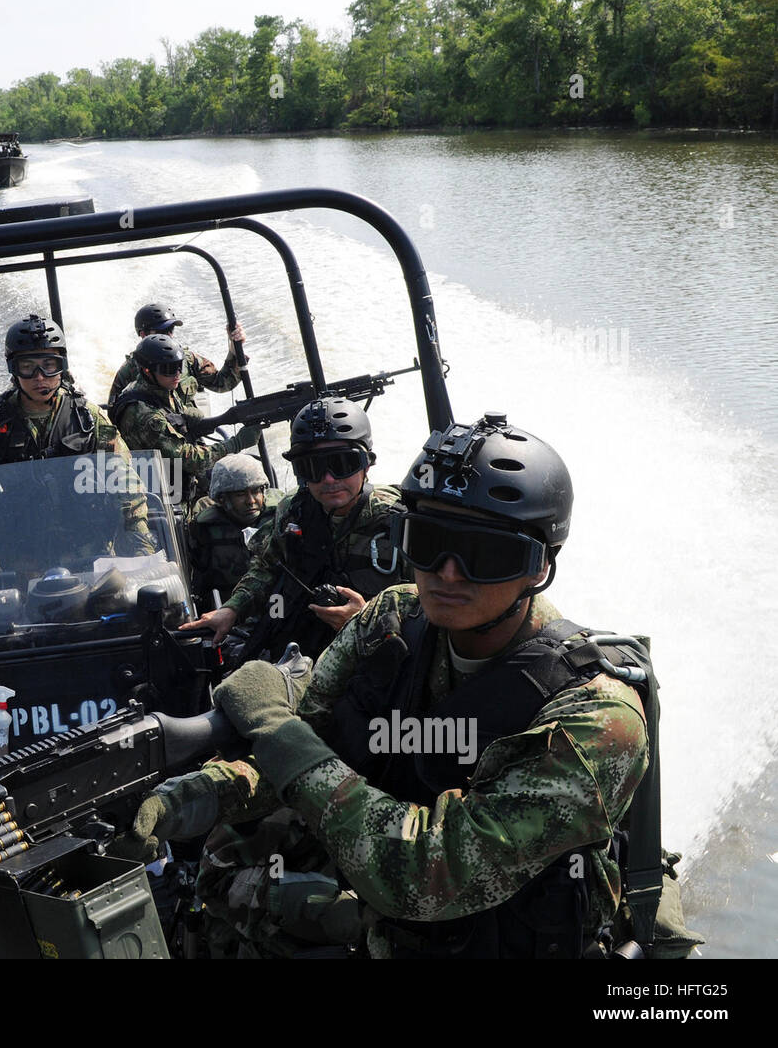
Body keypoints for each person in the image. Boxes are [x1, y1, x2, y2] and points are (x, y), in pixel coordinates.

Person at [127, 413, 659, 959]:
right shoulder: (394, 619)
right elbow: (321, 742)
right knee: (222, 877)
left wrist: (275, 727)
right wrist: (202, 793)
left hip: (477, 926)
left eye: (486, 554)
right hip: (391, 901)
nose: (448, 574)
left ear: (540, 565)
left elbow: (431, 875)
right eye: (428, 542)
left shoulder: (596, 717)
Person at [180, 397, 406, 663]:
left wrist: (368, 618)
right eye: (313, 468)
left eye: (343, 464)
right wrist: (232, 609)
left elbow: (434, 606)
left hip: (373, 660)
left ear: (367, 464)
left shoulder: (397, 520)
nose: (329, 480)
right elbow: (268, 566)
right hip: (302, 648)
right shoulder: (294, 510)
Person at [0, 314, 153, 561]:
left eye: (49, 364)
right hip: (20, 557)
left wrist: (139, 541)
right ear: (14, 369)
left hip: (90, 553)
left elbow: (125, 481)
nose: (39, 376)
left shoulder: (88, 418)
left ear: (61, 365)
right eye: (28, 367)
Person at [110, 333, 264, 508]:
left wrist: (186, 420)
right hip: (163, 504)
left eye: (178, 366)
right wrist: (235, 443)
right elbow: (190, 460)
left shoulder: (161, 388)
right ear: (147, 371)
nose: (176, 373)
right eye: (168, 369)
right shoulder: (145, 415)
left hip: (176, 488)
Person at [186, 455, 285, 608]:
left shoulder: (282, 515)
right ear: (222, 499)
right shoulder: (204, 529)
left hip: (280, 606)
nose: (251, 501)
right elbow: (199, 584)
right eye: (240, 494)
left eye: (256, 491)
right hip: (230, 612)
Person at [107, 302, 248, 403]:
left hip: (189, 433)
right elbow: (115, 410)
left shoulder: (187, 359)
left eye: (171, 330)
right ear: (143, 334)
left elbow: (222, 383)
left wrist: (235, 351)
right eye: (162, 331)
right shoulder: (129, 370)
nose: (169, 335)